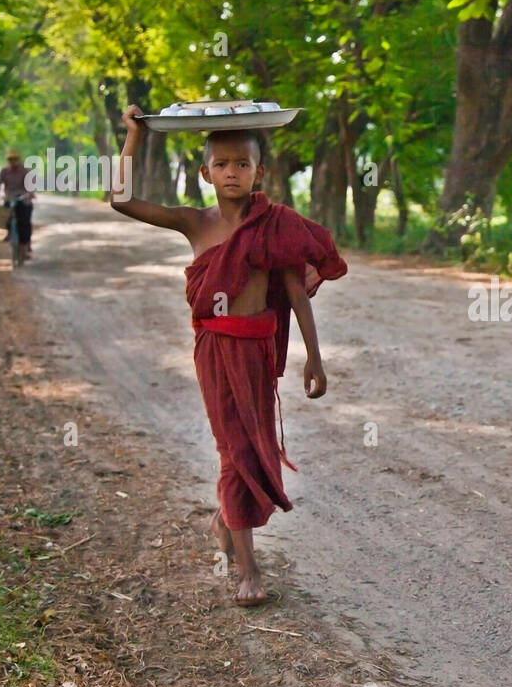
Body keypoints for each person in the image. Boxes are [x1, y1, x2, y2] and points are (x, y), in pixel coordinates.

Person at [109, 104, 347, 606]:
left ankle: (226, 517)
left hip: (258, 352)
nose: (232, 172)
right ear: (205, 173)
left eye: (243, 164)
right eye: (222, 164)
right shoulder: (196, 224)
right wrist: (134, 135)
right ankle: (248, 568)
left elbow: (296, 293)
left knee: (252, 443)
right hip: (214, 350)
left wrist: (315, 358)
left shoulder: (276, 226)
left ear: (261, 172)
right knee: (231, 448)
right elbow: (122, 200)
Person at [0, 148, 35, 260]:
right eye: (10, 159)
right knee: (3, 215)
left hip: (23, 199)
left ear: (18, 160)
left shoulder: (25, 171)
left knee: (24, 223)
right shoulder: (4, 171)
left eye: (15, 159)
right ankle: (9, 232)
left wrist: (29, 194)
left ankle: (25, 248)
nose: (13, 162)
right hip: (9, 198)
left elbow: (31, 186)